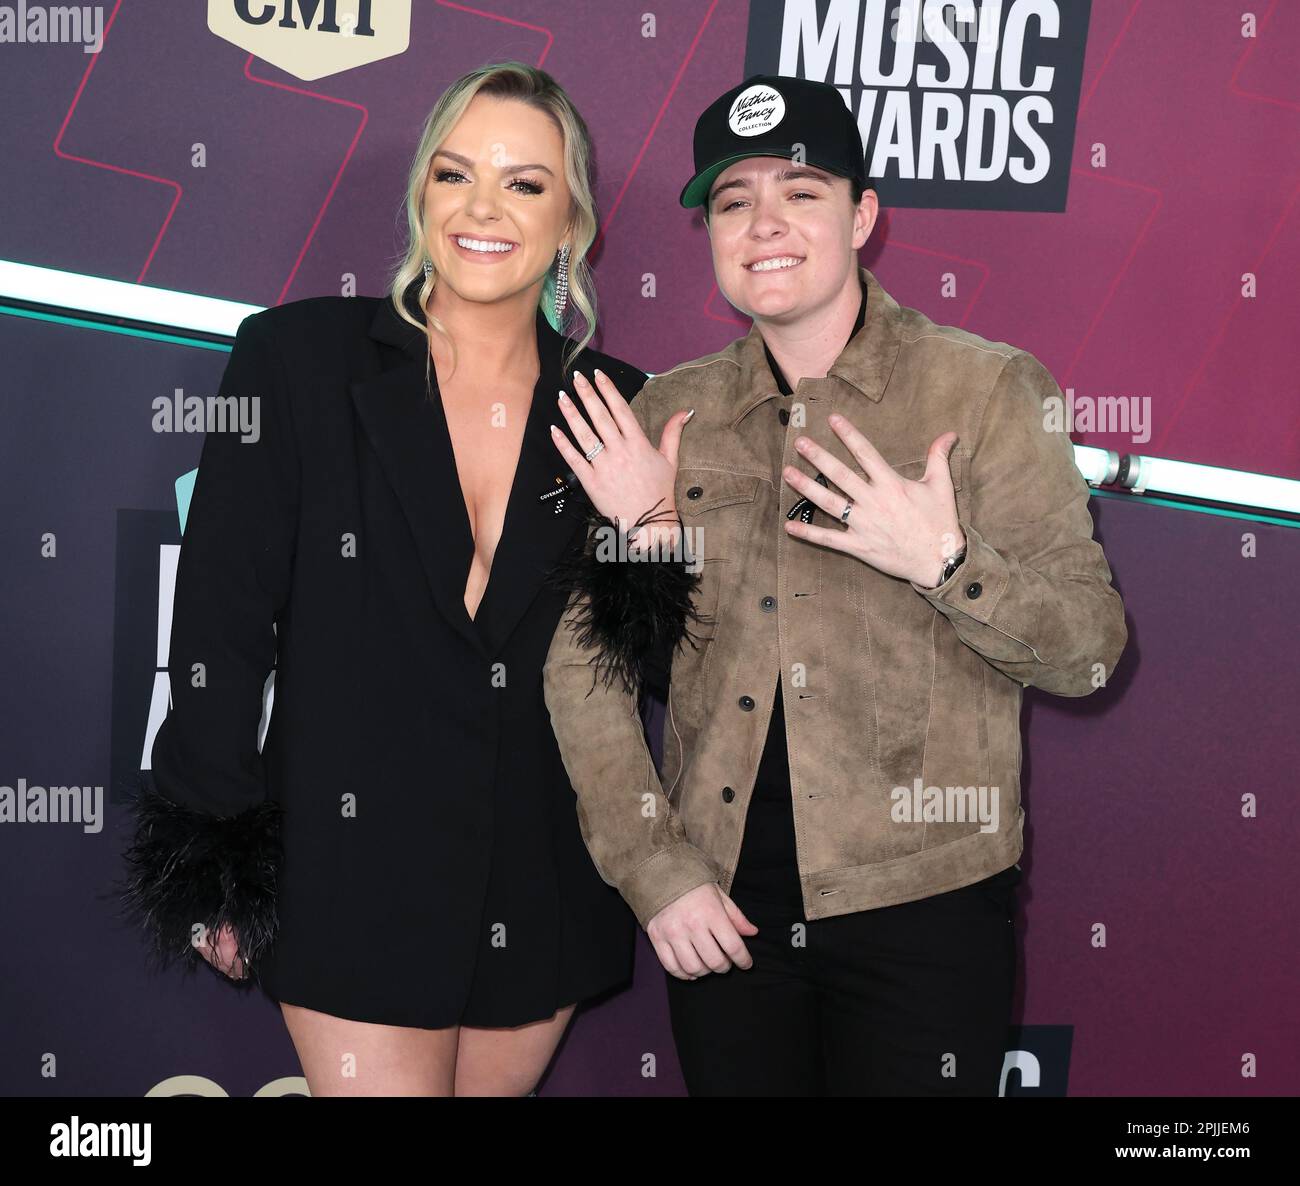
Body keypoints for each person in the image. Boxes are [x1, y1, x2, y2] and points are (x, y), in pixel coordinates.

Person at [544, 74, 1129, 1096]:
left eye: (801, 191)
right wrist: (654, 869)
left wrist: (945, 563)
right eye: (733, 201)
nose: (764, 224)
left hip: (929, 907)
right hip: (722, 916)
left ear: (862, 215)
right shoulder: (666, 410)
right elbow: (584, 669)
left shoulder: (986, 389)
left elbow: (1088, 650)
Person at [116, 61, 651, 1097]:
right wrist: (215, 855)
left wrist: (654, 525)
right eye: (455, 175)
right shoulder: (300, 360)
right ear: (421, 197)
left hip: (538, 876)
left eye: (525, 183)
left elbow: (651, 665)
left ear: (572, 221)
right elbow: (221, 621)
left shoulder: (615, 405)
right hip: (343, 866)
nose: (483, 208)